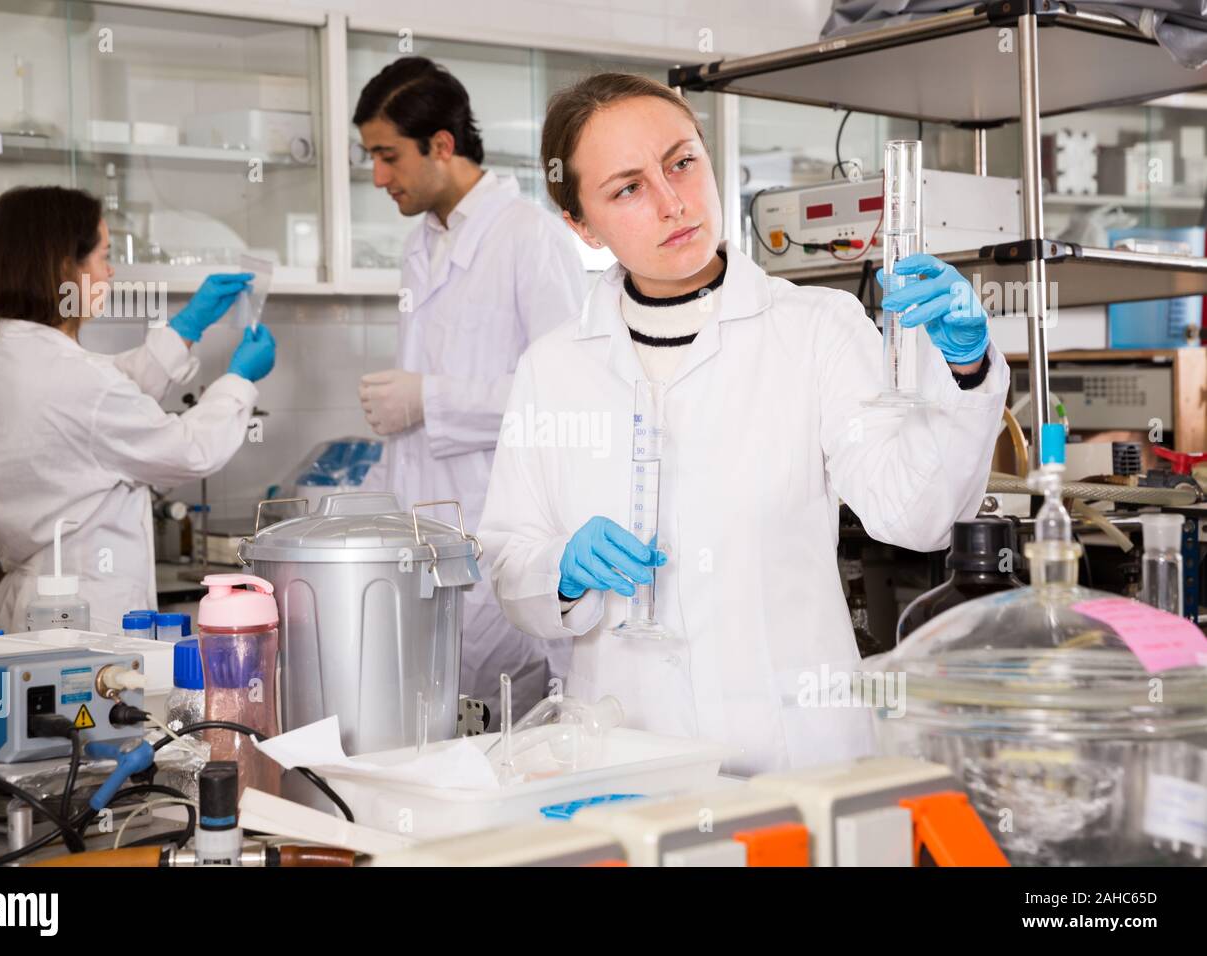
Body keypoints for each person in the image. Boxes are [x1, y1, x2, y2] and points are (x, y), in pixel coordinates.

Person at [478, 74, 1009, 775]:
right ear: (582, 225)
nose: (673, 203)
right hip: (626, 760)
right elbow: (510, 562)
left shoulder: (815, 329)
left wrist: (966, 369)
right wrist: (563, 574)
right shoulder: (552, 369)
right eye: (627, 188)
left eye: (682, 162)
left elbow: (917, 518)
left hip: (799, 758)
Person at [353, 57, 587, 718]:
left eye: (388, 156)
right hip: (424, 544)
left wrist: (428, 399)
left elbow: (568, 400)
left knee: (497, 733)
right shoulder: (419, 246)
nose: (377, 176)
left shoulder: (530, 240)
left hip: (498, 543)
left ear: (442, 146)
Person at [0, 185, 277, 633]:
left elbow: (107, 396)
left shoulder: (10, 357)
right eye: (101, 256)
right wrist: (239, 381)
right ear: (62, 268)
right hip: (87, 617)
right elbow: (188, 449)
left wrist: (185, 328)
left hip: (39, 604)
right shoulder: (73, 378)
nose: (110, 271)